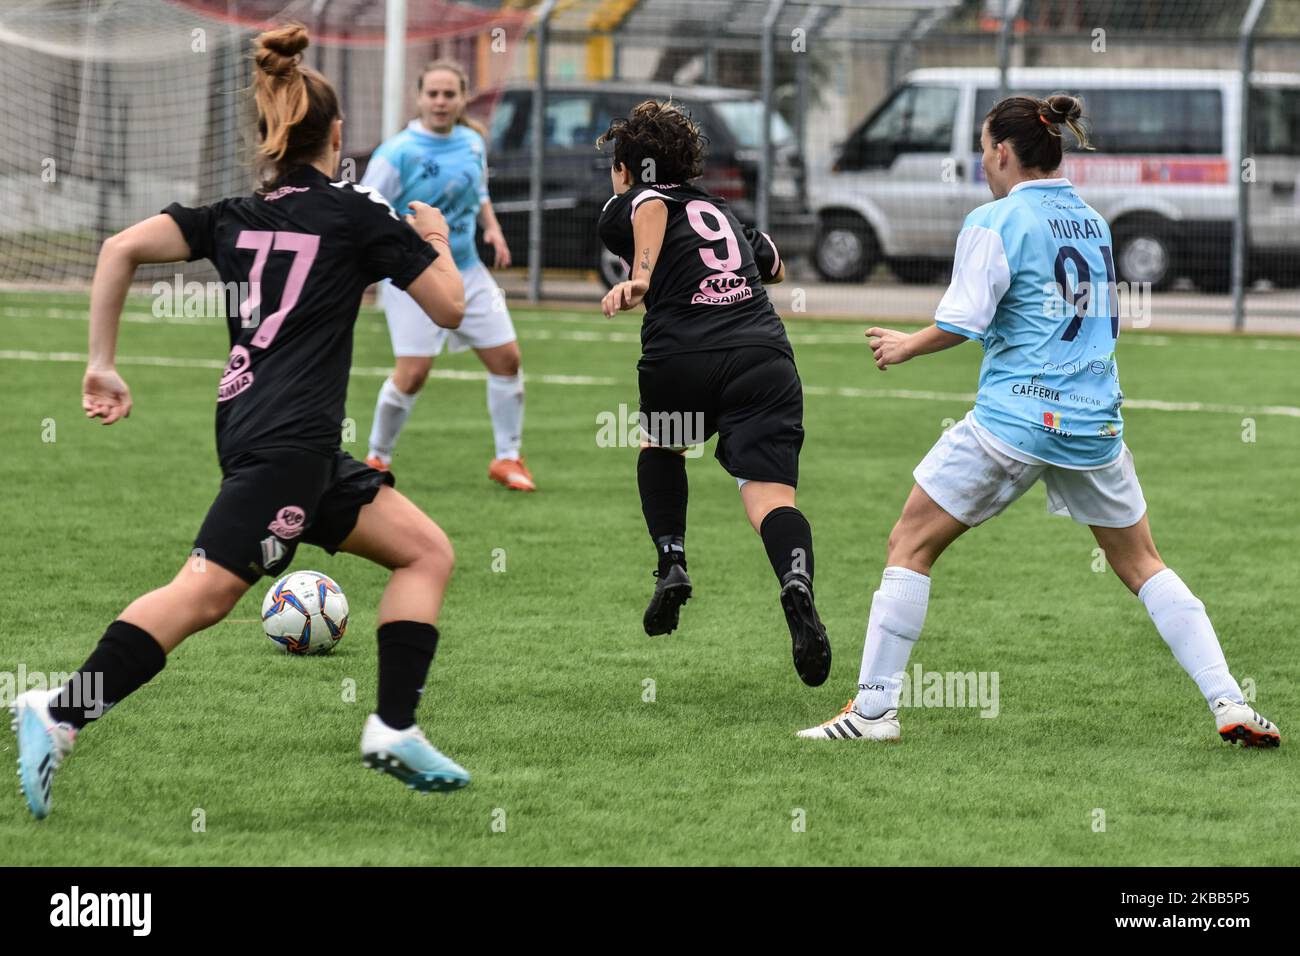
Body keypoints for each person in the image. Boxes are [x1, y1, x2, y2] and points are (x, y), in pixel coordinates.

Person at [10, 24, 473, 821]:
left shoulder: (235, 212)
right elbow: (451, 307)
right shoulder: (358, 215)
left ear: (272, 134)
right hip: (285, 441)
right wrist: (434, 238)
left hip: (269, 428)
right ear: (336, 136)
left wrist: (101, 361)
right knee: (205, 593)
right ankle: (58, 712)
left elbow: (119, 247)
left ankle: (394, 728)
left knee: (426, 552)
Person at [799, 94, 1280, 748]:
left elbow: (962, 320)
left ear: (1002, 151)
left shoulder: (995, 220)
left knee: (909, 545)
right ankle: (1229, 699)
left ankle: (875, 711)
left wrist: (905, 344)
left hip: (1016, 419)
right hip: (1094, 423)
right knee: (1143, 563)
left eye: (982, 145)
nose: (981, 158)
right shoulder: (1093, 221)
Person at [597, 100, 831, 687]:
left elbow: (650, 205)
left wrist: (645, 276)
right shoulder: (720, 210)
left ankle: (672, 561)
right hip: (762, 356)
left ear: (627, 167)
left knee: (662, 447)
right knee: (771, 499)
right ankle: (795, 581)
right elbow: (773, 265)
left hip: (683, 357)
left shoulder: (630, 201)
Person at [362, 60, 534, 492]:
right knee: (414, 373)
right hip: (412, 275)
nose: (440, 102)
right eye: (433, 94)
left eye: (449, 94)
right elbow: (364, 208)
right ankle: (377, 459)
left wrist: (491, 226)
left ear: (462, 99)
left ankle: (508, 458)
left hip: (468, 269)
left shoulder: (472, 142)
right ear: (419, 98)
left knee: (507, 360)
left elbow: (478, 190)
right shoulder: (397, 152)